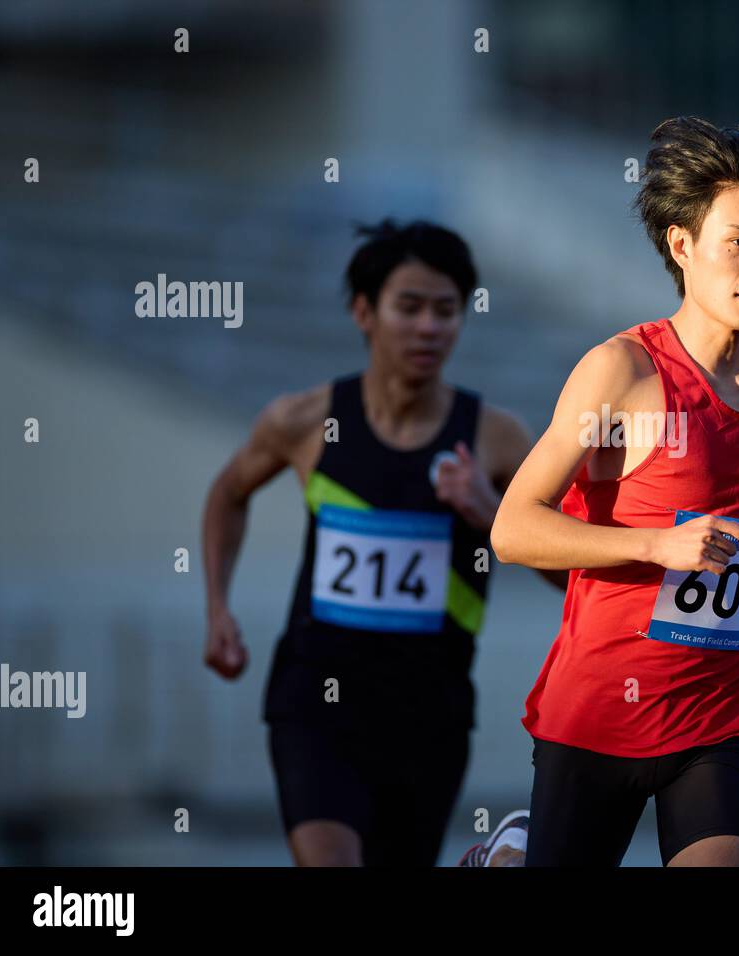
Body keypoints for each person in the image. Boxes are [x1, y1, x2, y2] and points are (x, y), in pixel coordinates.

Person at [491, 116, 739, 867]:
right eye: (738, 242)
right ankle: (509, 856)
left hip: (721, 716)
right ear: (683, 245)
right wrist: (655, 544)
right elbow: (512, 528)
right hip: (602, 709)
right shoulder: (622, 371)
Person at [201, 219, 557, 866]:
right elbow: (228, 493)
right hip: (315, 701)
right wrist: (218, 608)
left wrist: (493, 513)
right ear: (364, 312)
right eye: (410, 307)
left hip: (430, 713)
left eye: (446, 311)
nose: (428, 327)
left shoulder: (498, 438)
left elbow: (571, 568)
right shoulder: (304, 421)